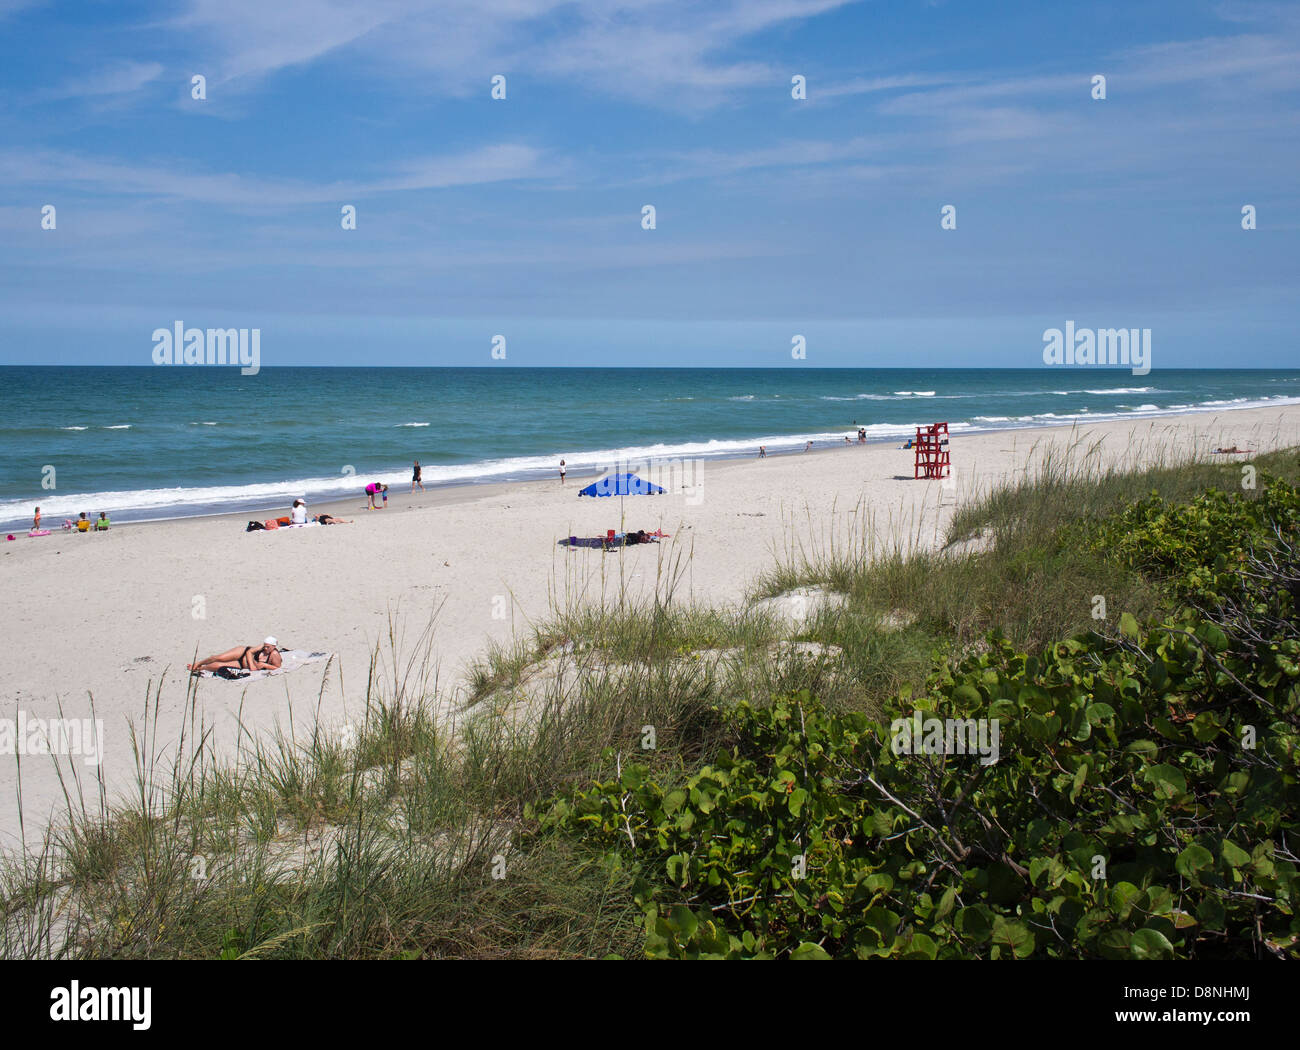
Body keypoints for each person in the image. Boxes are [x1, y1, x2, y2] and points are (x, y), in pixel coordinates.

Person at [188, 637, 283, 675]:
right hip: (242, 652)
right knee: (219, 657)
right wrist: (252, 666)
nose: (265, 648)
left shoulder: (274, 655)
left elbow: (277, 667)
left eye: (268, 647)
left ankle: (200, 668)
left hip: (241, 664)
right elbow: (249, 652)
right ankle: (198, 663)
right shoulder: (262, 646)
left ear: (274, 646)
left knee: (218, 666)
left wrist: (265, 665)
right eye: (265, 646)